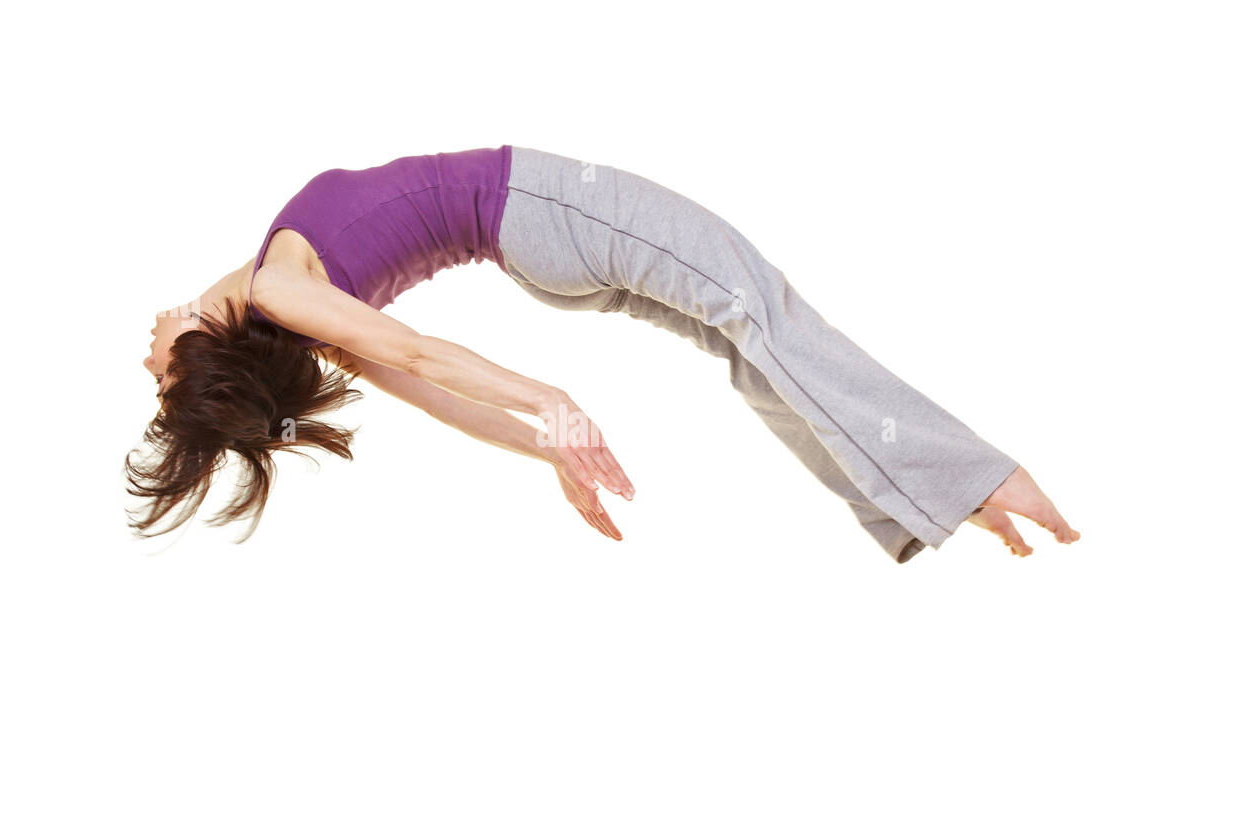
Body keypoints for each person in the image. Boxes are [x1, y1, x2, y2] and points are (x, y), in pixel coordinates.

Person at [128, 145, 1079, 560]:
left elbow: (427, 393)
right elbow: (422, 361)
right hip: (547, 211)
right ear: (205, 355)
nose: (145, 356)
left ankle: (916, 496)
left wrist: (548, 447)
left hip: (538, 247)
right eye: (163, 370)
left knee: (745, 337)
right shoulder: (274, 292)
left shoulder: (290, 309)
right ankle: (966, 480)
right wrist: (552, 413)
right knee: (760, 308)